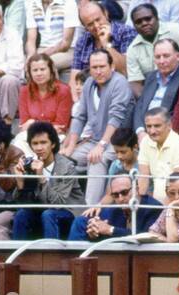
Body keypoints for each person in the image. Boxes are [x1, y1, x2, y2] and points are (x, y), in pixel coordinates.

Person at [62, 47, 133, 204]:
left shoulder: (119, 83)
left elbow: (116, 117)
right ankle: (64, 207)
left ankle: (91, 211)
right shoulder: (89, 83)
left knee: (96, 160)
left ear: (112, 66)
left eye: (102, 66)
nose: (98, 71)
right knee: (64, 160)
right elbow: (80, 116)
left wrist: (101, 145)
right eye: (94, 67)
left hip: (118, 143)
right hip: (95, 141)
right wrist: (70, 146)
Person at [9, 120, 80, 239]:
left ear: (52, 144)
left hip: (68, 212)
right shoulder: (30, 163)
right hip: (42, 211)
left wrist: (41, 178)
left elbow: (59, 203)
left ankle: (50, 255)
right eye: (35, 143)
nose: (39, 148)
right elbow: (24, 205)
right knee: (22, 214)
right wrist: (20, 182)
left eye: (43, 142)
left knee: (49, 214)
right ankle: (19, 256)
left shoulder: (66, 166)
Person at [19, 51, 73, 140]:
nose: (39, 74)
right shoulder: (24, 91)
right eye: (35, 70)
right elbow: (24, 123)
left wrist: (32, 123)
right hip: (30, 134)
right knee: (18, 142)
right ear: (30, 73)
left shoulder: (63, 91)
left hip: (55, 136)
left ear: (51, 71)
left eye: (42, 69)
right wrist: (49, 125)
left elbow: (61, 125)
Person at [27, 0, 78, 76]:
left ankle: (53, 88)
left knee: (44, 65)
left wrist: (43, 55)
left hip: (68, 50)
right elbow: (31, 40)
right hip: (43, 48)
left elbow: (65, 44)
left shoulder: (69, 3)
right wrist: (30, 57)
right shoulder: (33, 4)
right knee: (29, 65)